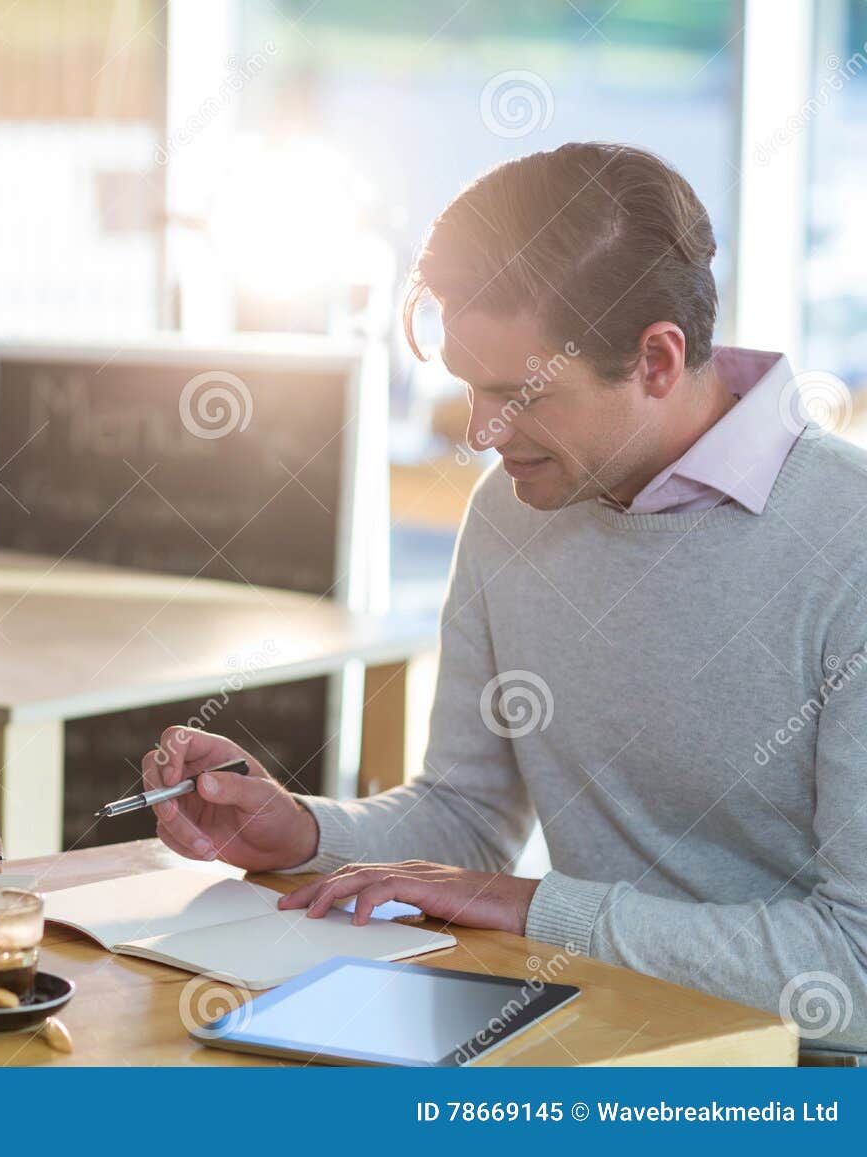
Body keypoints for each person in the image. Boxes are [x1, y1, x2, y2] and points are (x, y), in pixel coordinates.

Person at [143, 142, 866, 1052]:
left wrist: (534, 907)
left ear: (655, 358)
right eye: (470, 389)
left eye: (518, 395)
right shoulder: (516, 508)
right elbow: (467, 818)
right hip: (593, 1029)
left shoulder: (849, 545)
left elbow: (856, 966)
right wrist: (300, 829)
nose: (483, 433)